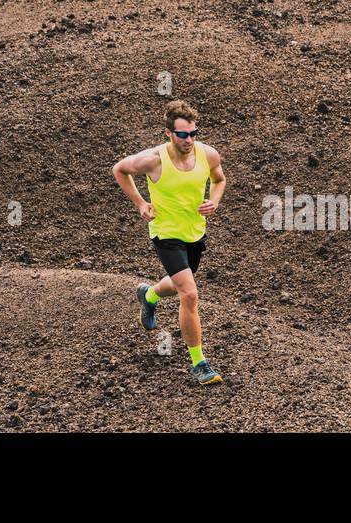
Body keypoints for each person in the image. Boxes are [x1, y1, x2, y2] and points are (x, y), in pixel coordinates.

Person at [111, 100, 226, 385]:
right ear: (168, 134)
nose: (189, 140)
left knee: (175, 286)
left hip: (195, 233)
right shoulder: (153, 159)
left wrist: (214, 200)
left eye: (193, 133)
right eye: (183, 134)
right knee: (189, 294)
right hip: (166, 234)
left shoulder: (207, 155)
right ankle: (199, 363)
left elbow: (220, 179)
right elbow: (119, 170)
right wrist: (140, 203)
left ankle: (149, 295)